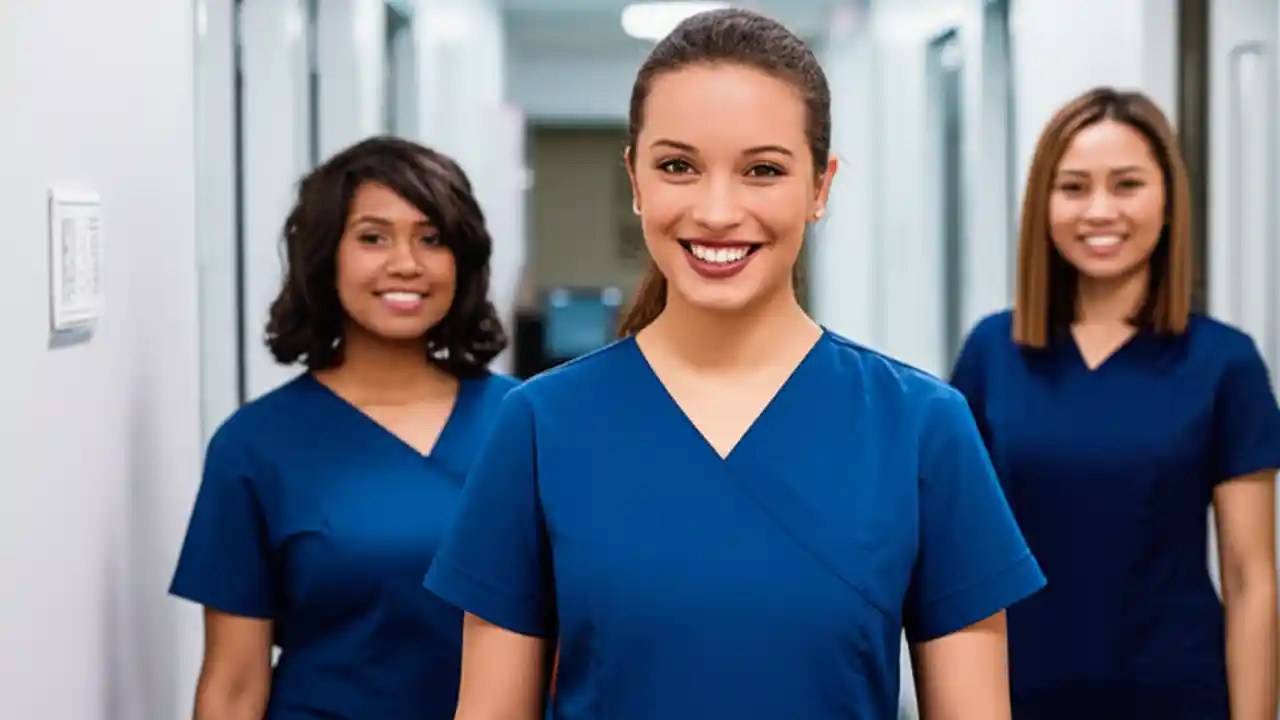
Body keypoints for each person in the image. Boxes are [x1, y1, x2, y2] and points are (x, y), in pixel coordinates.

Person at [423, 9, 1045, 719]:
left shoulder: (921, 428)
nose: (717, 211)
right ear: (635, 178)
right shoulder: (540, 426)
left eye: (763, 170)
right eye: (678, 166)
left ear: (821, 186)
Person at [950, 87, 1280, 718]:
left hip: (1177, 697)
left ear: (1167, 200)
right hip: (1016, 696)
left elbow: (1250, 580)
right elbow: (957, 566)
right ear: (1043, 203)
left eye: (1127, 184)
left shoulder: (1225, 364)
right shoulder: (991, 353)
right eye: (1073, 187)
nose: (1099, 210)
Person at [169, 136, 518, 719]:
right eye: (373, 237)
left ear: (463, 258)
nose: (405, 262)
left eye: (431, 238)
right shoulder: (257, 446)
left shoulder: (528, 426)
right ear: (326, 255)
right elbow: (233, 684)